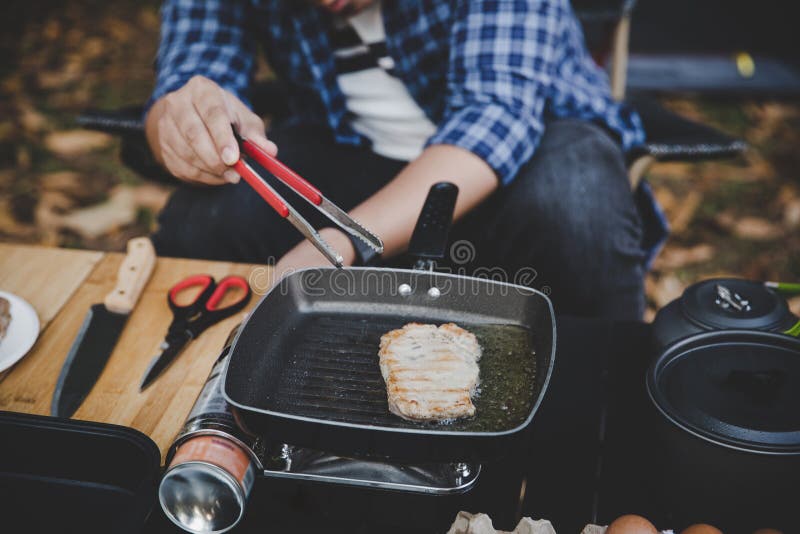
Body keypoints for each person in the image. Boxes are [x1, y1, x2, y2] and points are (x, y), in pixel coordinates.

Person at [145, 0, 659, 320]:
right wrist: (177, 122)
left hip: (524, 159)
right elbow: (191, 72)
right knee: (203, 218)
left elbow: (495, 115)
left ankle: (599, 451)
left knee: (574, 203)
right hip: (350, 152)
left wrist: (333, 247)